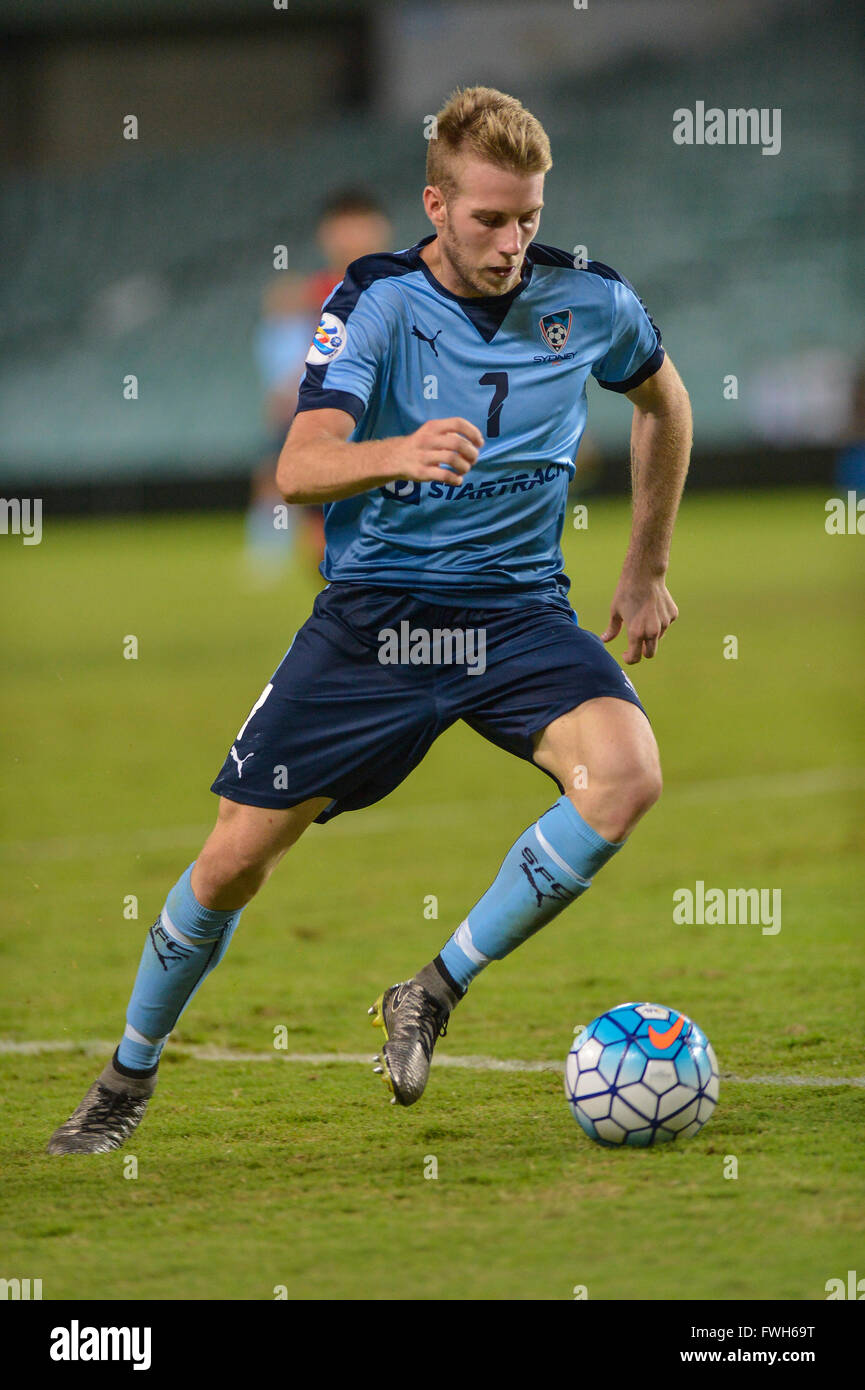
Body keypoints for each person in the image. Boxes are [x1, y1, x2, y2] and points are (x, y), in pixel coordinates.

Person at [47, 85, 691, 1153]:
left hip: (516, 614)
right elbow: (298, 469)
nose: (510, 241)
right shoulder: (377, 300)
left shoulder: (590, 299)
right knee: (232, 864)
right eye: (488, 218)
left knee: (626, 774)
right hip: (376, 625)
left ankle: (432, 989)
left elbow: (665, 401)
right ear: (434, 203)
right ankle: (127, 1075)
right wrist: (396, 450)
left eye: (527, 217)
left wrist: (647, 561)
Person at [246, 191, 392, 583]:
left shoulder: (404, 284)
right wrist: (285, 390)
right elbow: (297, 352)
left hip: (388, 420)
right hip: (332, 420)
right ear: (326, 234)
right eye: (343, 225)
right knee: (324, 545)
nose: (352, 235)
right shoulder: (313, 294)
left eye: (361, 223)